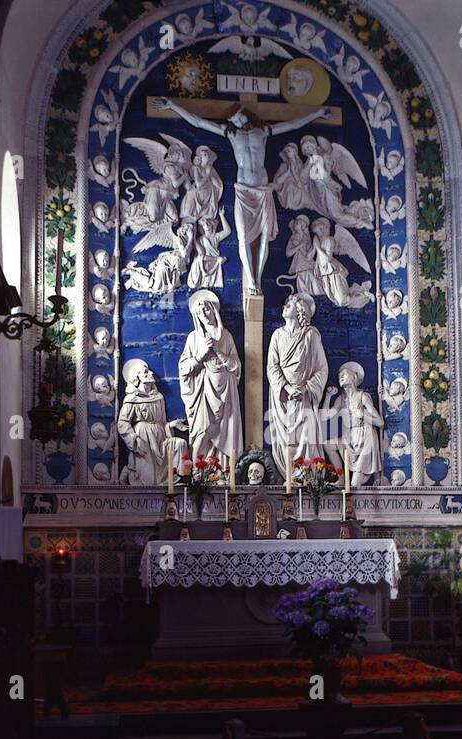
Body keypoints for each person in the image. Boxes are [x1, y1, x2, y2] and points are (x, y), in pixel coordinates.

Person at [155, 98, 332, 295]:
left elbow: (292, 125)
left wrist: (317, 114)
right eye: (232, 119)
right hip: (243, 191)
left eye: (237, 117)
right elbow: (199, 122)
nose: (236, 122)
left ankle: (258, 278)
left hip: (263, 190)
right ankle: (252, 281)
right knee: (243, 238)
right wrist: (173, 106)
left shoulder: (263, 132)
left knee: (265, 236)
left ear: (244, 113)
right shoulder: (232, 134)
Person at [266, 292, 328, 476]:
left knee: (306, 437)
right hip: (284, 396)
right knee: (286, 441)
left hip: (304, 395)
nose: (284, 306)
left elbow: (321, 368)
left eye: (289, 304)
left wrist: (306, 388)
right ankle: (289, 476)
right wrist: (286, 387)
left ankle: (308, 478)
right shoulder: (277, 335)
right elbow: (272, 366)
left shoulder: (310, 335)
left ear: (300, 310)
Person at [178, 290, 243, 461]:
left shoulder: (226, 336)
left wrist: (219, 353)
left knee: (224, 428)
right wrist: (201, 355)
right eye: (199, 312)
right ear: (196, 317)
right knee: (202, 429)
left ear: (213, 310)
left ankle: (221, 469)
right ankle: (196, 471)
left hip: (226, 390)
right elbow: (184, 368)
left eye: (206, 309)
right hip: (203, 390)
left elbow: (236, 366)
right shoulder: (193, 338)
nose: (203, 314)